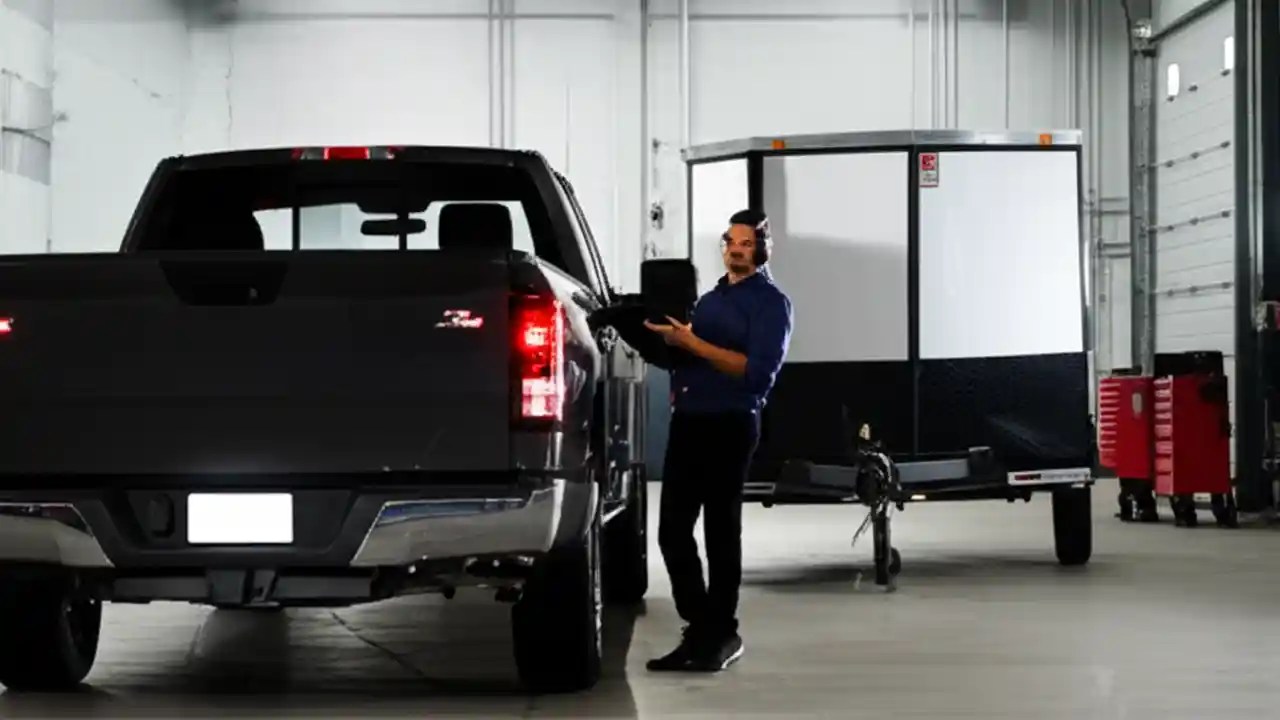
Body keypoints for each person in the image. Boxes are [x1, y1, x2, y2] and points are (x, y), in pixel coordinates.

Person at [643, 208, 793, 673]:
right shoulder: (708, 301)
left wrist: (692, 345)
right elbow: (691, 358)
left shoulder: (770, 303)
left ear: (763, 249)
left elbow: (755, 374)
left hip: (731, 424)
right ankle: (704, 626)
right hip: (689, 421)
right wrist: (662, 344)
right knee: (671, 532)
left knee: (720, 532)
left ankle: (720, 632)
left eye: (745, 243)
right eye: (730, 241)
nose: (734, 248)